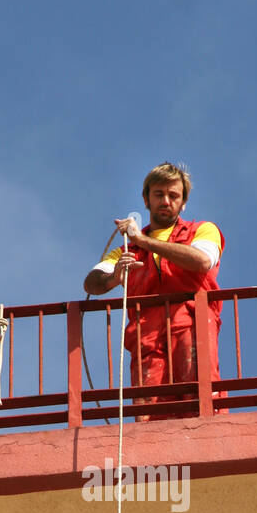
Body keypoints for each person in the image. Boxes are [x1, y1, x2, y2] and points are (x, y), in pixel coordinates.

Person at [82, 162, 225, 420]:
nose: (166, 201)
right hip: (146, 334)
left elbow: (202, 261)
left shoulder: (202, 230)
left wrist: (142, 240)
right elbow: (91, 282)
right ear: (146, 199)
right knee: (147, 414)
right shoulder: (127, 250)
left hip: (191, 323)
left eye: (174, 196)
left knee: (199, 399)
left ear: (183, 203)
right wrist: (114, 278)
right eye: (159, 194)